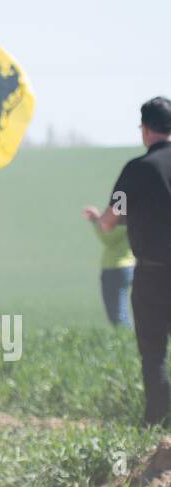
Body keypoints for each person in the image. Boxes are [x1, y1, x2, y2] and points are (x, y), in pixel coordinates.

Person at [100, 97, 171, 425]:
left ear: (145, 129)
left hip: (154, 275)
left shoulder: (136, 170)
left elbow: (111, 218)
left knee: (153, 352)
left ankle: (157, 422)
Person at [82, 204, 135, 327]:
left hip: (117, 267)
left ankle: (125, 339)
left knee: (117, 314)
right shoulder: (131, 223)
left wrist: (96, 221)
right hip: (125, 267)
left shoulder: (123, 225)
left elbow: (108, 237)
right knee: (119, 311)